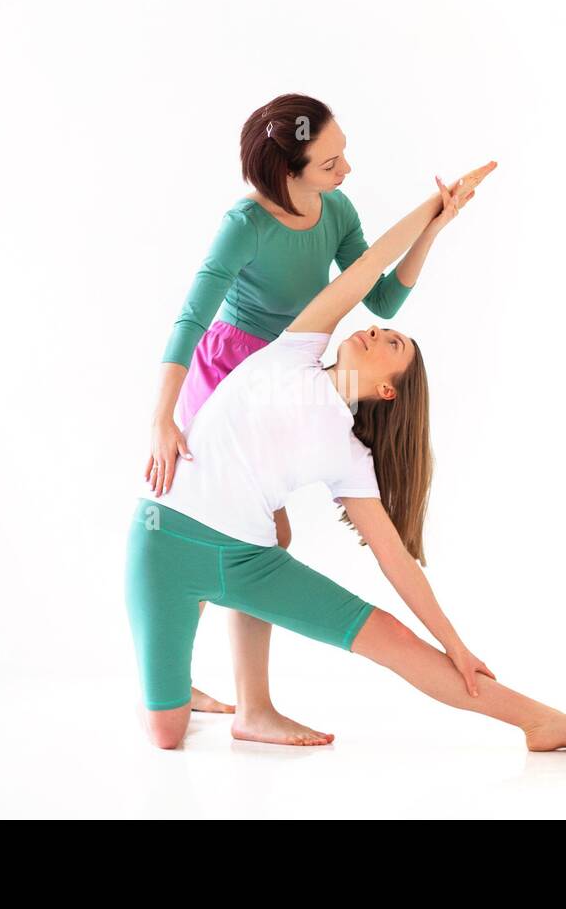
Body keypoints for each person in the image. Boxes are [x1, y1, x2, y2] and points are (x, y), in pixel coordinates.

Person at [126, 160, 566, 754]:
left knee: (389, 636)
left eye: (393, 345)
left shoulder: (349, 457)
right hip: (163, 543)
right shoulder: (296, 349)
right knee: (165, 734)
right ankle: (179, 685)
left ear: (388, 390)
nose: (376, 332)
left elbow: (397, 563)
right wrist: (435, 211)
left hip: (248, 563)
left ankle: (540, 721)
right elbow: (368, 270)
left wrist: (456, 644)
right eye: (385, 330)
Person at [145, 93, 455, 738]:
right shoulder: (245, 224)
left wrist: (432, 228)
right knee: (244, 534)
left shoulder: (336, 209)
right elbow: (191, 316)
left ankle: (241, 699)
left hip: (296, 360)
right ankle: (236, 699)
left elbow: (385, 300)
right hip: (231, 368)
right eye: (331, 161)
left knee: (263, 539)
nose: (346, 171)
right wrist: (162, 418)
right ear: (288, 170)